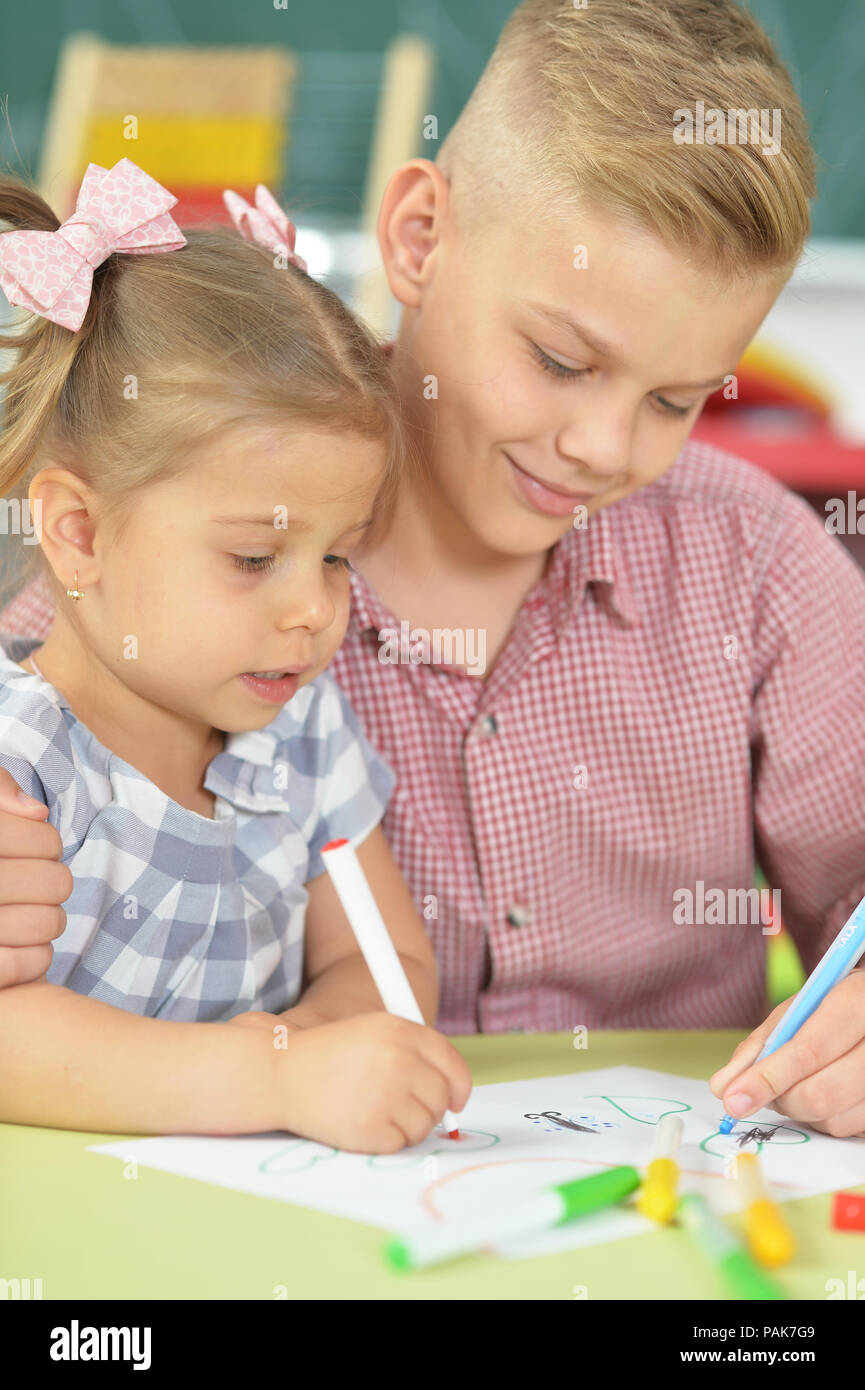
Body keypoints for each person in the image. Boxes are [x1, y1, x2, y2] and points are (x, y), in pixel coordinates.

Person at [4, 0, 865, 1137]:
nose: (606, 448)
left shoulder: (756, 566)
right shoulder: (184, 548)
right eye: (560, 359)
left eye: (674, 399)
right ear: (419, 238)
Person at [0, 159, 471, 1148]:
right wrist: (274, 1077)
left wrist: (316, 1053)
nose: (312, 609)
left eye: (337, 555)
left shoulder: (304, 738)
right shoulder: (20, 764)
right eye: (254, 556)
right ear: (78, 535)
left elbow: (384, 964)